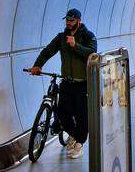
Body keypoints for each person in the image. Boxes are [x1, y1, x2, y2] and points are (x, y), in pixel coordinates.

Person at [29, 8, 96, 158]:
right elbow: (47, 51)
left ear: (79, 20)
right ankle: (73, 134)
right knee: (62, 114)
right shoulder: (61, 38)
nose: (69, 23)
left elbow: (92, 54)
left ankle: (79, 143)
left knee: (81, 116)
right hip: (67, 82)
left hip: (82, 83)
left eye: (72, 20)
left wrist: (75, 45)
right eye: (67, 20)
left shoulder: (88, 36)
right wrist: (37, 65)